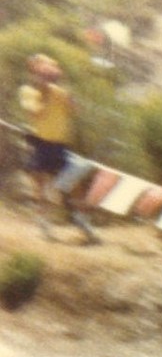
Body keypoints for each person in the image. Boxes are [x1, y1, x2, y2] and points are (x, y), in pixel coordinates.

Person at [18, 53, 96, 243]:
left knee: (76, 185)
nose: (42, 76)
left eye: (45, 72)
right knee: (41, 187)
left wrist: (63, 92)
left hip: (60, 145)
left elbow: (75, 110)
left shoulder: (58, 91)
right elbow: (36, 114)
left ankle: (82, 222)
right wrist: (45, 92)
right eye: (38, 72)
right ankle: (44, 226)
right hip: (41, 144)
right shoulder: (28, 91)